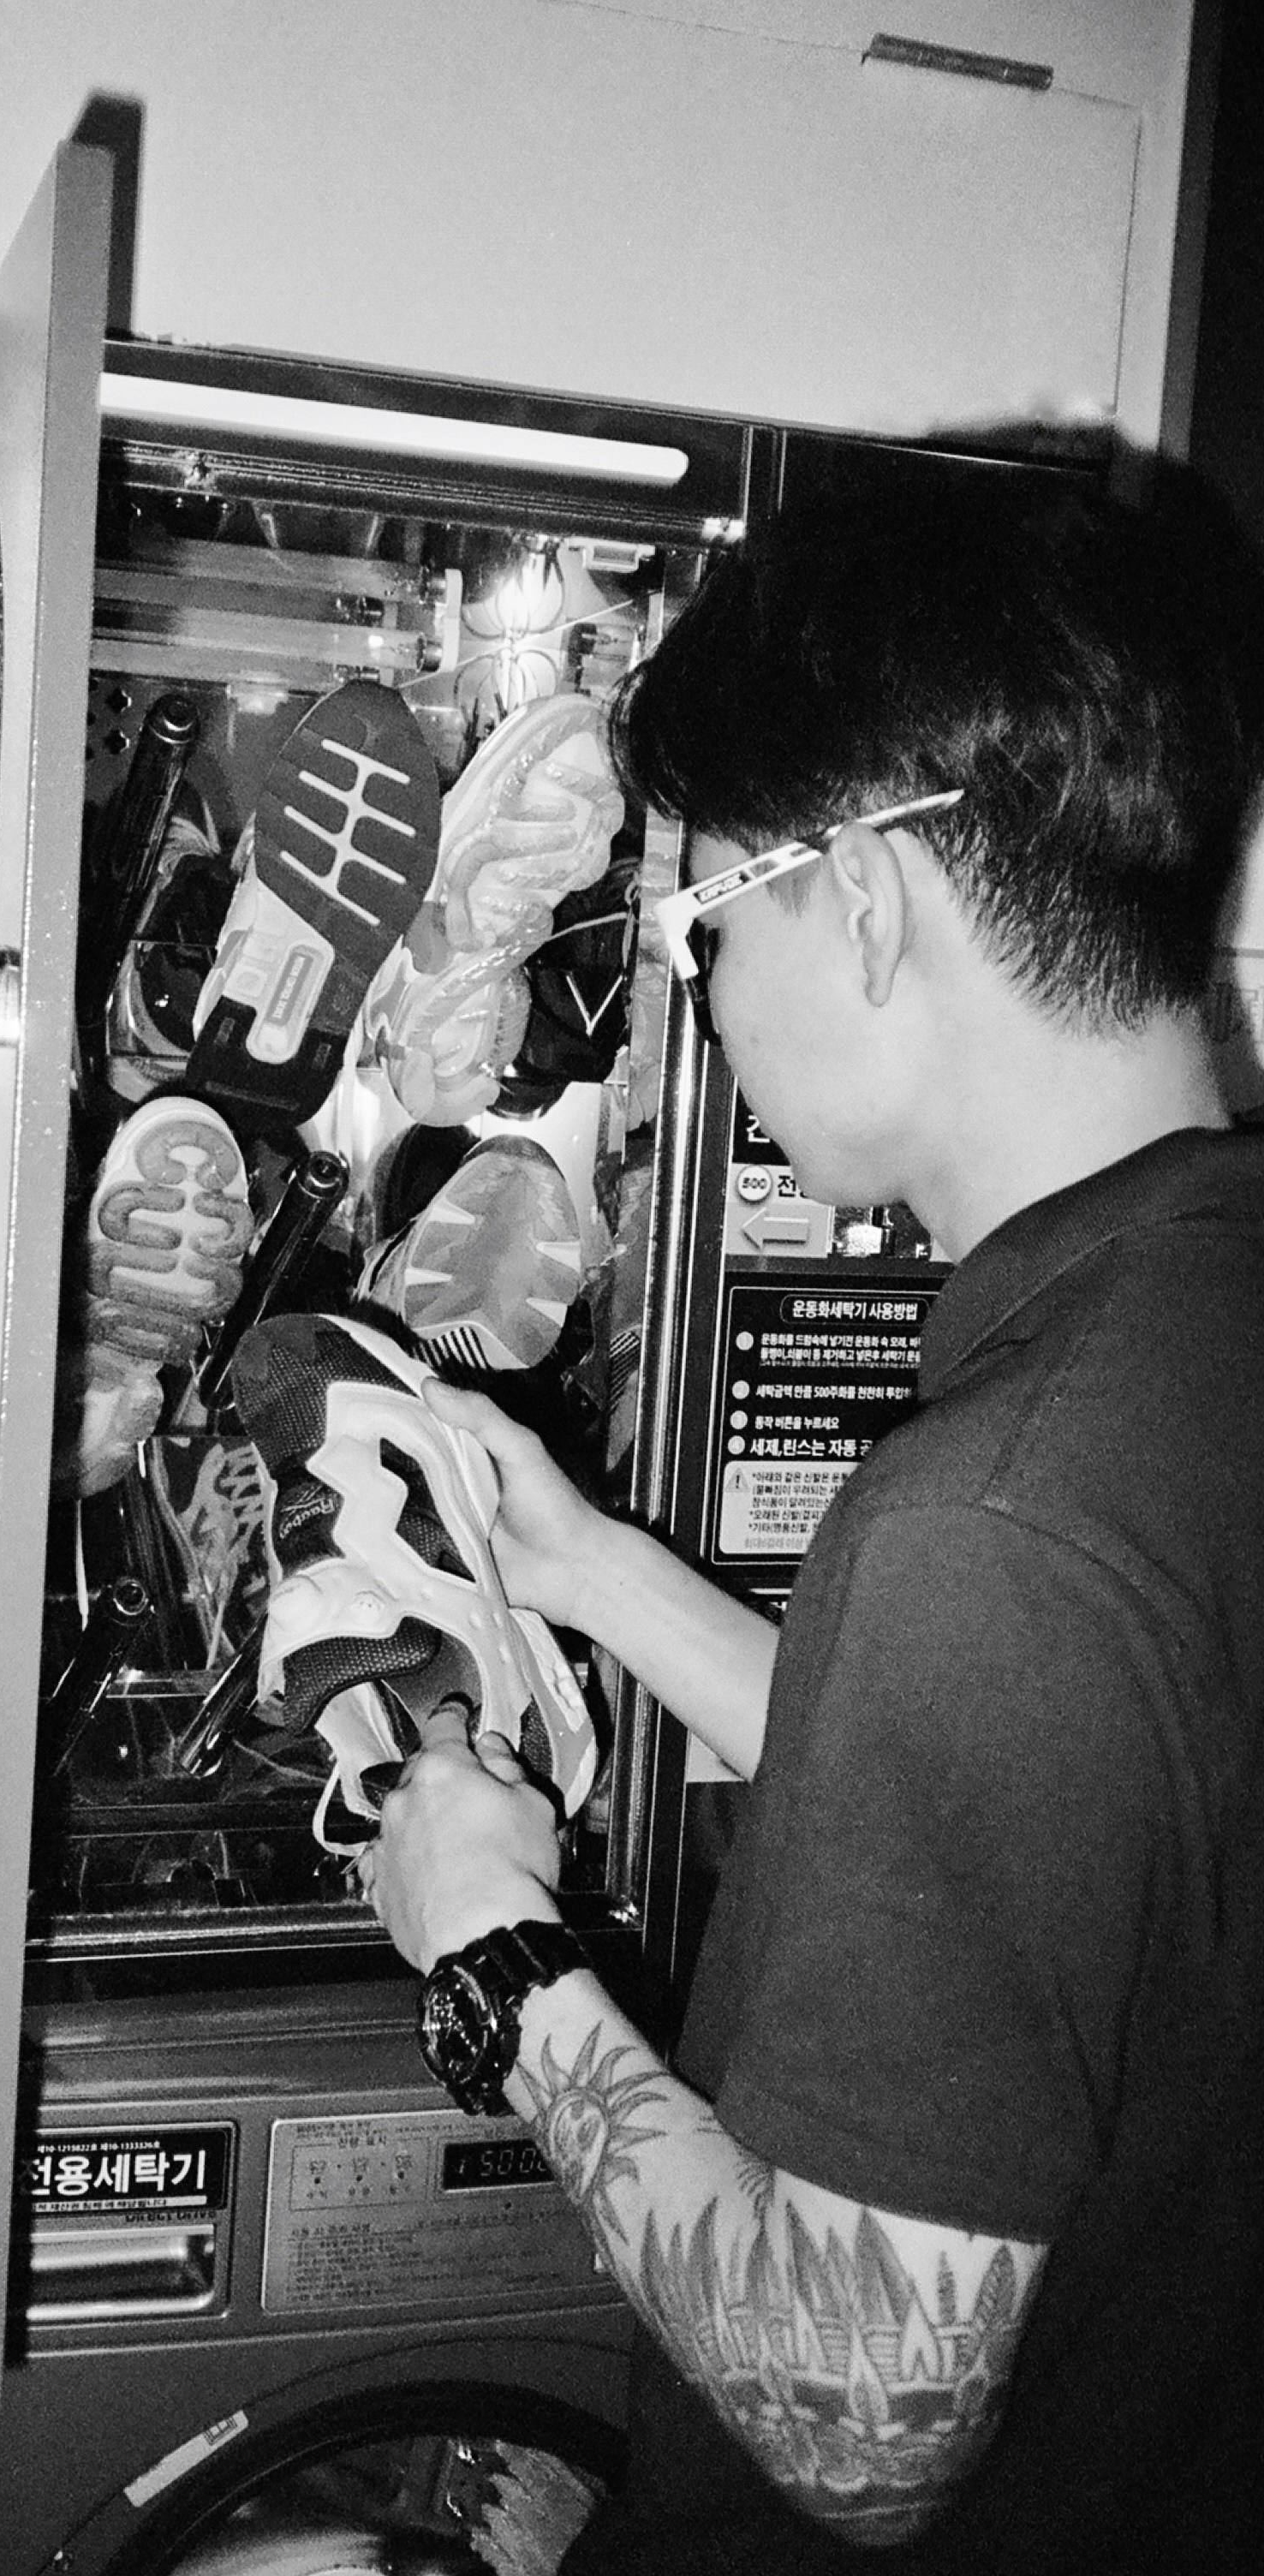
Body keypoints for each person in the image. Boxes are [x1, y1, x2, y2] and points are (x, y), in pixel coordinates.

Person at [361, 474, 1264, 2572]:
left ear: (857, 895)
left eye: (703, 915)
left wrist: (496, 1955)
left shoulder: (998, 1521)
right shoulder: (1194, 1332)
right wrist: (578, 1556)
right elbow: (1032, 1817)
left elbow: (861, 2414)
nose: (695, 981)